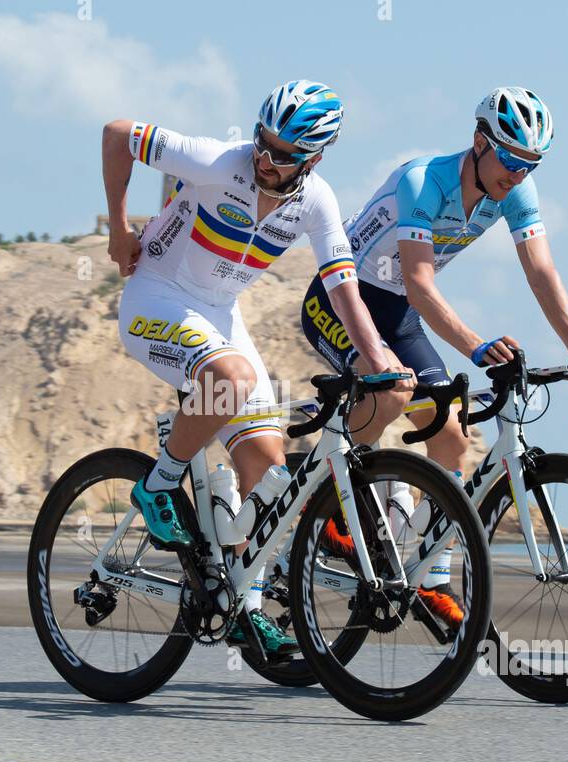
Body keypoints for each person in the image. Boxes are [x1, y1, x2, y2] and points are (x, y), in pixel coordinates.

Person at [300, 86, 568, 625]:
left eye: (530, 164)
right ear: (479, 141)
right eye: (509, 158)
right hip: (342, 299)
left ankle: (432, 580)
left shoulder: (514, 193)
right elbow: (417, 282)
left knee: (452, 435)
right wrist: (477, 346)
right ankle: (327, 504)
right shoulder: (422, 182)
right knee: (390, 392)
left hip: (400, 314)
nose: (517, 173)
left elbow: (542, 273)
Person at [101, 80, 412, 656]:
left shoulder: (318, 201)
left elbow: (343, 282)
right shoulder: (220, 162)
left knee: (268, 475)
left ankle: (238, 604)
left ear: (315, 158)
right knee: (233, 379)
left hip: (219, 315)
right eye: (262, 143)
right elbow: (118, 136)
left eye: (284, 155)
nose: (266, 160)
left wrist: (379, 358)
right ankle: (159, 485)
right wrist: (120, 228)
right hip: (157, 299)